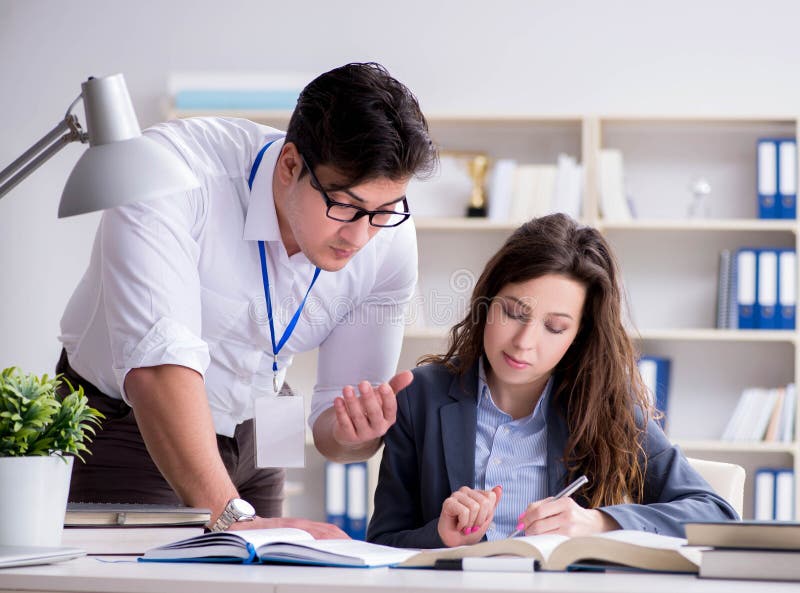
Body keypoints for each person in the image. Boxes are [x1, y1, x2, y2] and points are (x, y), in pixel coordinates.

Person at [56, 62, 437, 538]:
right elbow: (155, 366)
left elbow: (331, 431)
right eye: (345, 205)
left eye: (382, 212)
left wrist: (353, 435)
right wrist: (234, 518)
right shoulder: (168, 173)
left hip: (261, 427)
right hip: (131, 424)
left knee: (267, 580)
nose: (361, 236)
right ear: (290, 164)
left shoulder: (389, 237)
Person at [367, 213, 739, 549]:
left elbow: (716, 514)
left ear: (577, 336)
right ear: (486, 300)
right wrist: (441, 535)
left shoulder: (604, 404)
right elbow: (383, 540)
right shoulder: (420, 397)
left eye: (555, 327)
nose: (524, 342)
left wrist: (598, 522)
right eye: (513, 312)